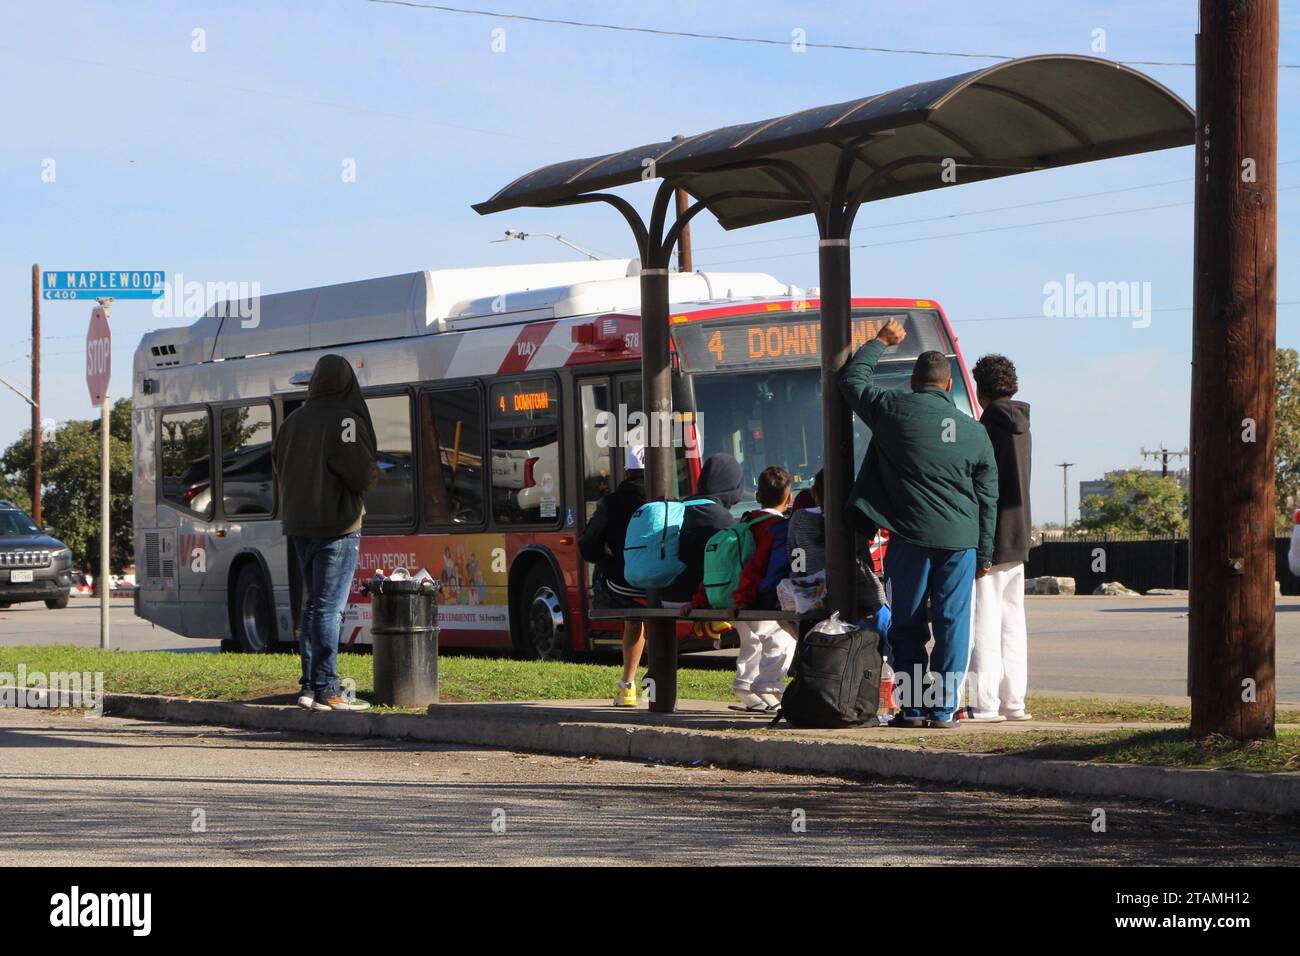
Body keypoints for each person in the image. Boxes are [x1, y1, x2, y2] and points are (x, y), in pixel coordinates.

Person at [839, 319, 998, 728]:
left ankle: (911, 707)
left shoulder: (892, 410)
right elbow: (988, 498)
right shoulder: (975, 432)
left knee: (908, 621)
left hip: (909, 538)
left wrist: (880, 342)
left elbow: (852, 381)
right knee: (952, 624)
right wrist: (984, 552)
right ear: (948, 387)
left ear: (913, 383)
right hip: (960, 542)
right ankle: (944, 708)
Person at [274, 353, 378, 712]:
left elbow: (278, 466)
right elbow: (361, 473)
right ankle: (327, 688)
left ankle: (307, 685)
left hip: (299, 525)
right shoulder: (345, 420)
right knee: (328, 609)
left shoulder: (293, 421)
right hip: (338, 525)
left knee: (311, 606)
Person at [689, 465, 796, 712]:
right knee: (783, 638)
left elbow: (721, 568)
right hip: (754, 599)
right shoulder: (777, 529)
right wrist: (745, 599)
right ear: (789, 498)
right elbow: (757, 566)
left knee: (751, 642)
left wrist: (699, 601)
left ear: (757, 497)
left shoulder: (744, 523)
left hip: (731, 598)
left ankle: (745, 686)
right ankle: (769, 687)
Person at [967, 354, 1033, 722]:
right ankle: (1014, 703)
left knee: (985, 623)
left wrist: (982, 545)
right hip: (1019, 535)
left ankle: (986, 703)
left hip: (991, 538)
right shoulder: (1023, 425)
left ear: (980, 390)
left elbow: (983, 489)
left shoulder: (985, 427)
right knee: (1013, 624)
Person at [578, 445, 647, 707]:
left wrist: (609, 553)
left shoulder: (612, 502)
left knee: (634, 615)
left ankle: (627, 685)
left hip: (622, 586)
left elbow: (587, 547)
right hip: (667, 586)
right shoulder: (671, 501)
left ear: (627, 471)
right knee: (647, 607)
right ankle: (653, 685)